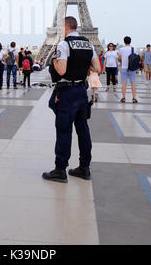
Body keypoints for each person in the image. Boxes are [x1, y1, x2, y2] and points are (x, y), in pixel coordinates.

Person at [42, 16, 101, 183]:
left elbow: (61, 71)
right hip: (82, 92)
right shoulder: (88, 44)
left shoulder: (64, 44)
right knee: (83, 130)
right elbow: (97, 68)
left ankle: (60, 170)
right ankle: (84, 167)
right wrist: (83, 65)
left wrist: (54, 60)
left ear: (65, 26)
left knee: (64, 130)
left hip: (67, 93)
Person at [118, 36, 139, 103]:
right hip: (132, 68)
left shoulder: (121, 49)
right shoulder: (134, 49)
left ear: (124, 41)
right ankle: (134, 98)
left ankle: (123, 98)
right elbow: (137, 57)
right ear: (130, 41)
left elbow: (119, 58)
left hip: (124, 68)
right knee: (133, 84)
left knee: (124, 84)